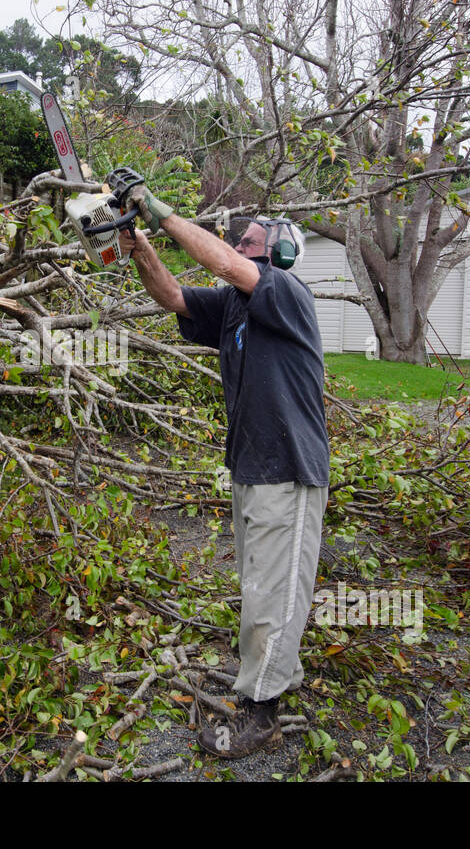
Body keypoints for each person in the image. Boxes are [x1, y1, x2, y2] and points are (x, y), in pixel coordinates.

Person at [121, 185, 331, 759]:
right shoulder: (235, 305)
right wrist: (132, 235)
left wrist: (156, 207)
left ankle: (262, 713)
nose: (239, 243)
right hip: (250, 465)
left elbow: (219, 259)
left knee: (274, 590)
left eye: (251, 241)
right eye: (239, 239)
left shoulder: (286, 291)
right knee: (261, 586)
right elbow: (170, 295)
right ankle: (268, 676)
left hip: (287, 466)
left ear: (279, 254)